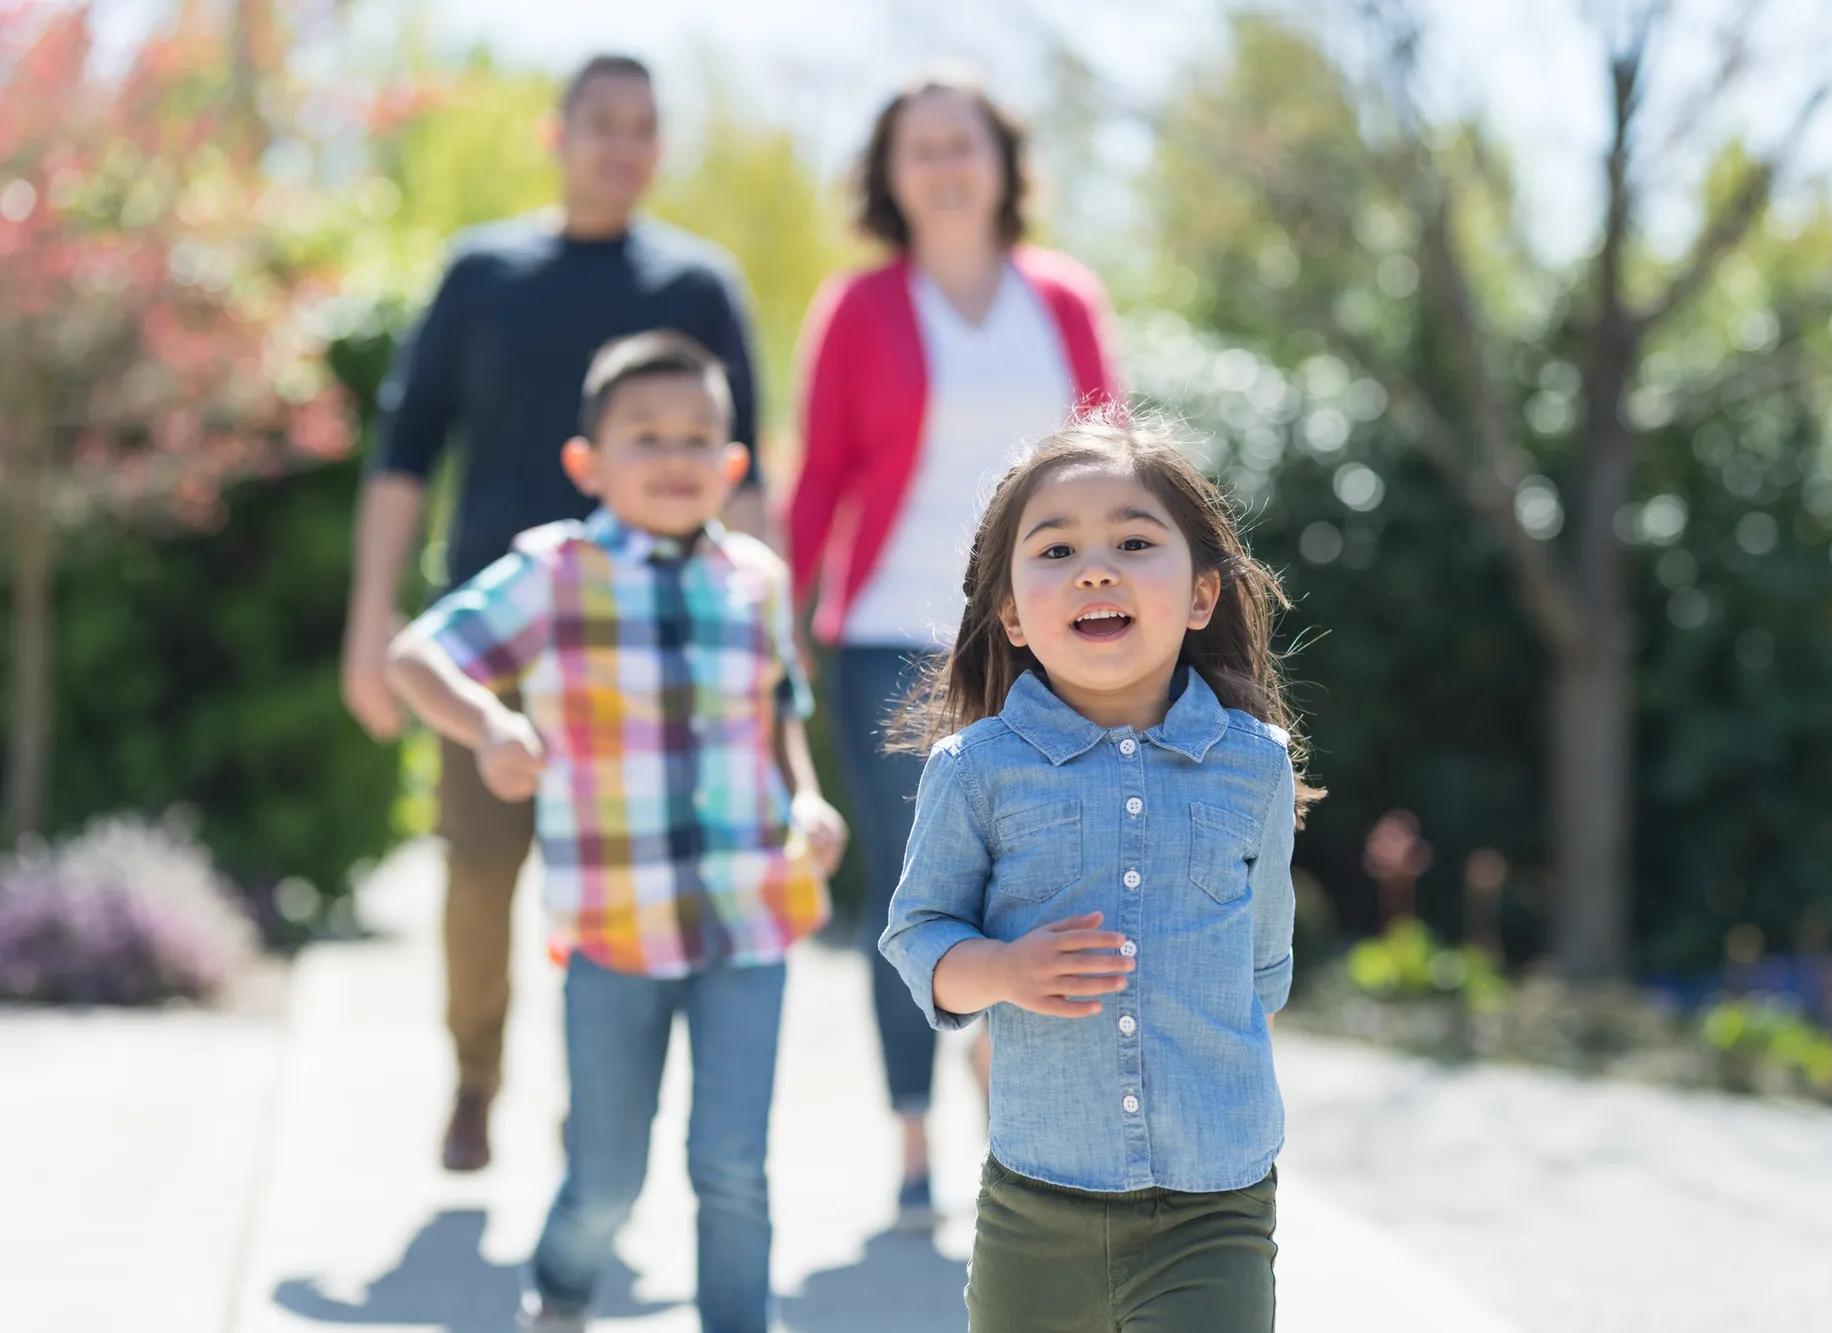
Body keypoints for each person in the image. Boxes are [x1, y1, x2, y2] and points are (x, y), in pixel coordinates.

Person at [340, 52, 765, 1172]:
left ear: (656, 147)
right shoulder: (483, 271)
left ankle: (599, 1100)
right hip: (495, 639)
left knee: (627, 890)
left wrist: (762, 637)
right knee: (480, 872)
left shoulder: (697, 286)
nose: (621, 144)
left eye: (642, 126)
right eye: (601, 123)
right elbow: (402, 458)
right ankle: (474, 1075)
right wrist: (372, 624)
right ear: (558, 134)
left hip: (653, 646)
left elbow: (745, 472)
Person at [385, 331, 844, 1333]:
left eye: (696, 438)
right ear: (588, 462)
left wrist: (804, 799)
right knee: (605, 1177)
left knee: (731, 1168)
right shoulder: (554, 571)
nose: (674, 458)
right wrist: (491, 724)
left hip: (747, 918)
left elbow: (779, 711)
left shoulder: (757, 580)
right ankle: (559, 1289)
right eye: (645, 437)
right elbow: (416, 655)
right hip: (615, 929)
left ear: (732, 464)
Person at [878, 413, 1319, 1332]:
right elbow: (918, 935)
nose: (1094, 567)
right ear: (1011, 613)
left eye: (1132, 540)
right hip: (1038, 1201)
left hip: (1216, 1201)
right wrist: (1001, 972)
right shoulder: (976, 768)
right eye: (1056, 549)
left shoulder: (1256, 764)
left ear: (1201, 596)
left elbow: (1264, 967)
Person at [786, 68, 1119, 1224]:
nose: (940, 166)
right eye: (916, 148)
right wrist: (781, 622)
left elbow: (1115, 465)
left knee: (1033, 884)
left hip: (1040, 644)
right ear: (888, 175)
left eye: (959, 144)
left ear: (1000, 163)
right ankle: (913, 1136)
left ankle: (1014, 1129)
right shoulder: (858, 307)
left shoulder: (1064, 299)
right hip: (889, 639)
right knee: (916, 888)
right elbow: (818, 481)